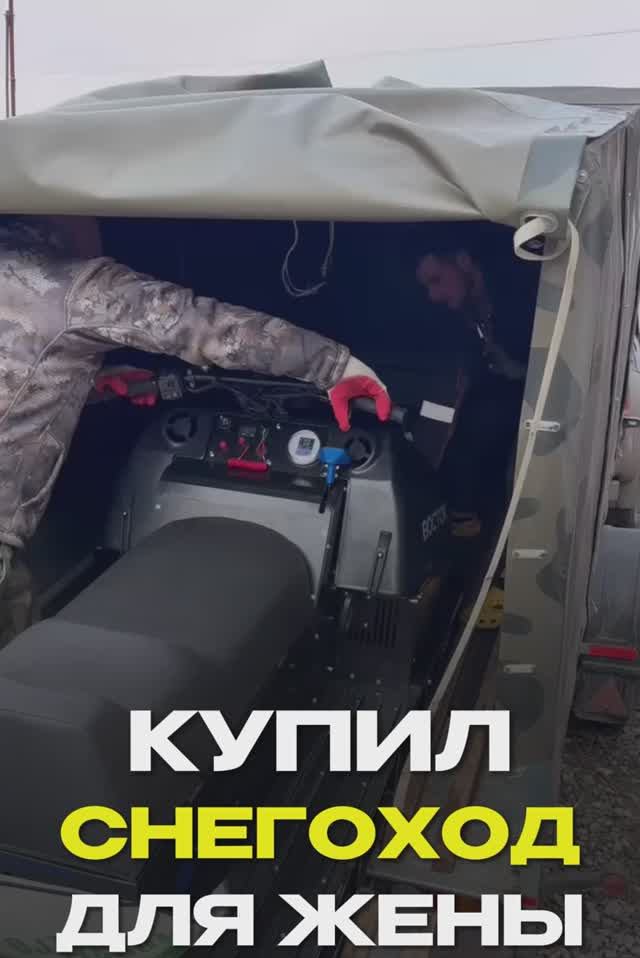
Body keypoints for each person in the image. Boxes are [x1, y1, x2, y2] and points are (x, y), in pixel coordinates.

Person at [0, 214, 390, 643]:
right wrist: (333, 366)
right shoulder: (74, 286)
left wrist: (86, 385)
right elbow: (205, 326)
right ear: (64, 213)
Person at [415, 223, 540, 537]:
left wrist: (520, 371)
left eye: (436, 280)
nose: (433, 296)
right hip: (476, 404)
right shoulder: (457, 315)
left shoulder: (523, 299)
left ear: (463, 261)